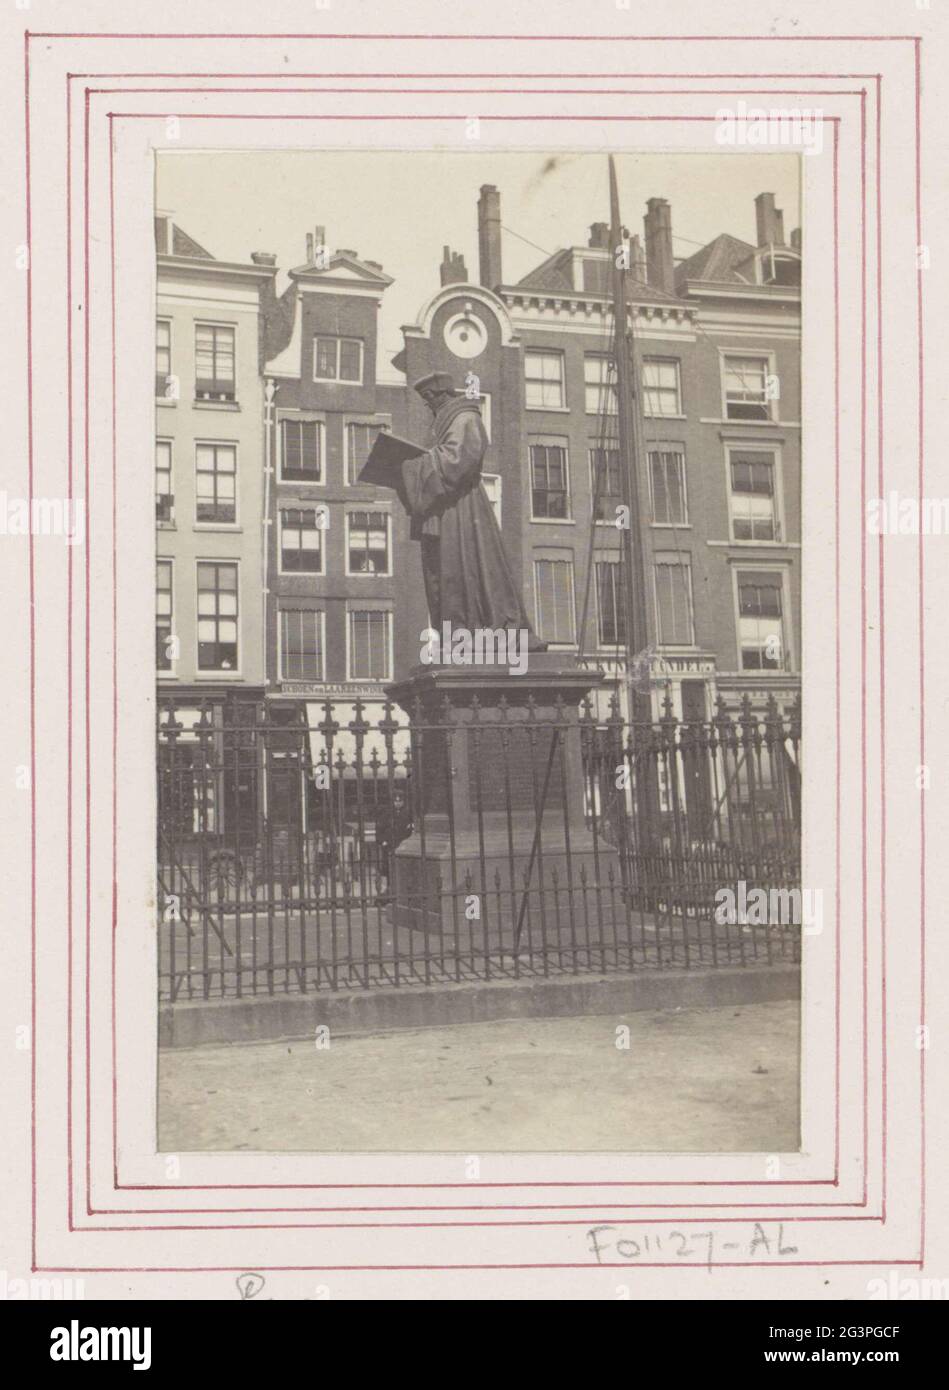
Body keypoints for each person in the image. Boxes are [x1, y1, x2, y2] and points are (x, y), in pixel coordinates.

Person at [400, 372, 546, 645]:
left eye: (429, 398)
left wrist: (413, 466)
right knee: (451, 571)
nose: (427, 404)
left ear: (443, 394)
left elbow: (457, 461)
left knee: (466, 566)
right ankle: (460, 631)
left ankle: (479, 628)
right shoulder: (446, 423)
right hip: (447, 510)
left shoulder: (466, 419)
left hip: (462, 509)